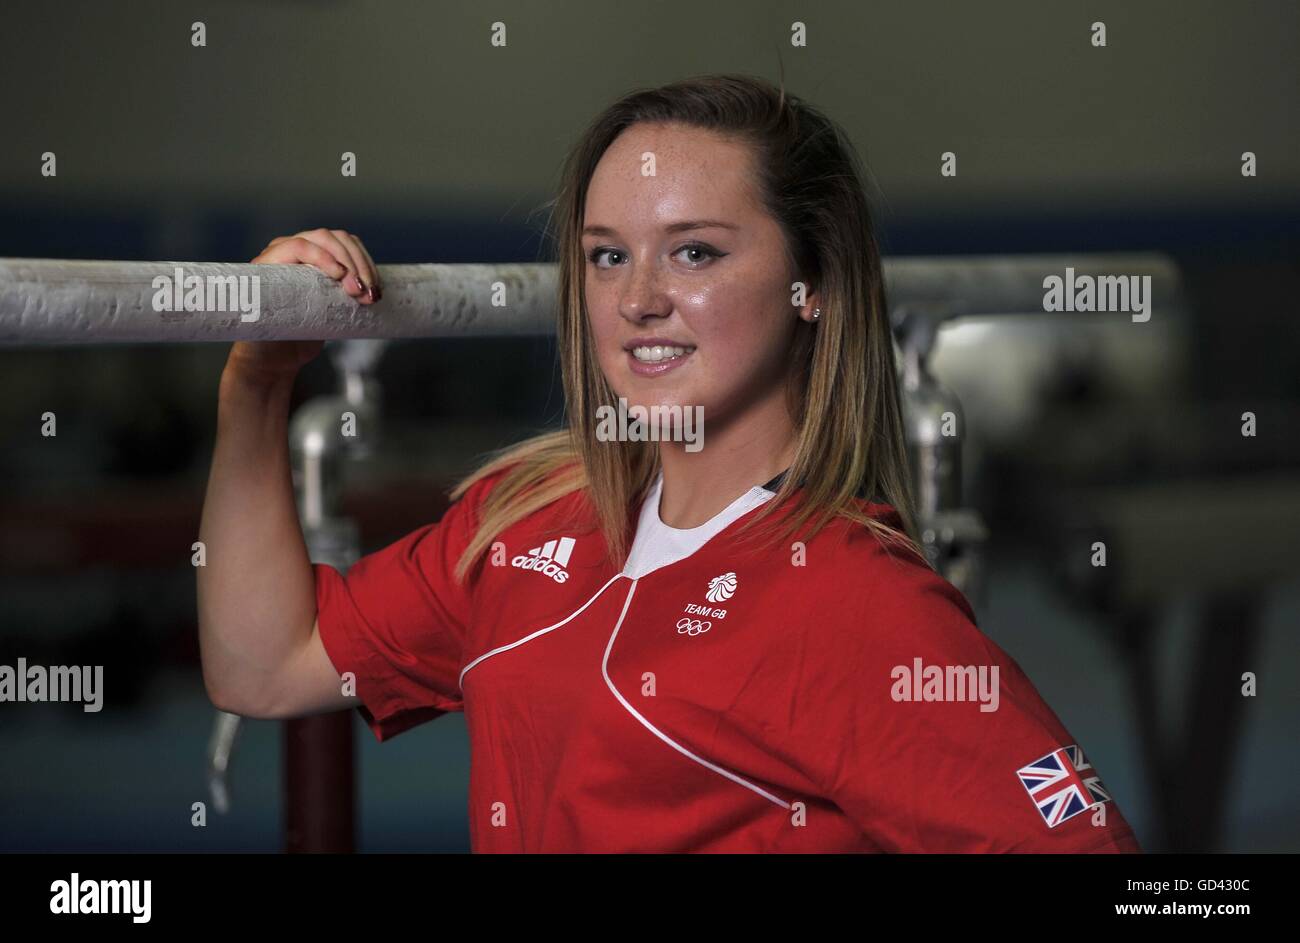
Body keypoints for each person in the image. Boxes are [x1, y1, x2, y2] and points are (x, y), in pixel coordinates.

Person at [197, 73, 1142, 853]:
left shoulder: (853, 601)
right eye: (607, 258)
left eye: (694, 252)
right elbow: (265, 664)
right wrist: (257, 383)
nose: (639, 298)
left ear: (813, 284)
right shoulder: (529, 517)